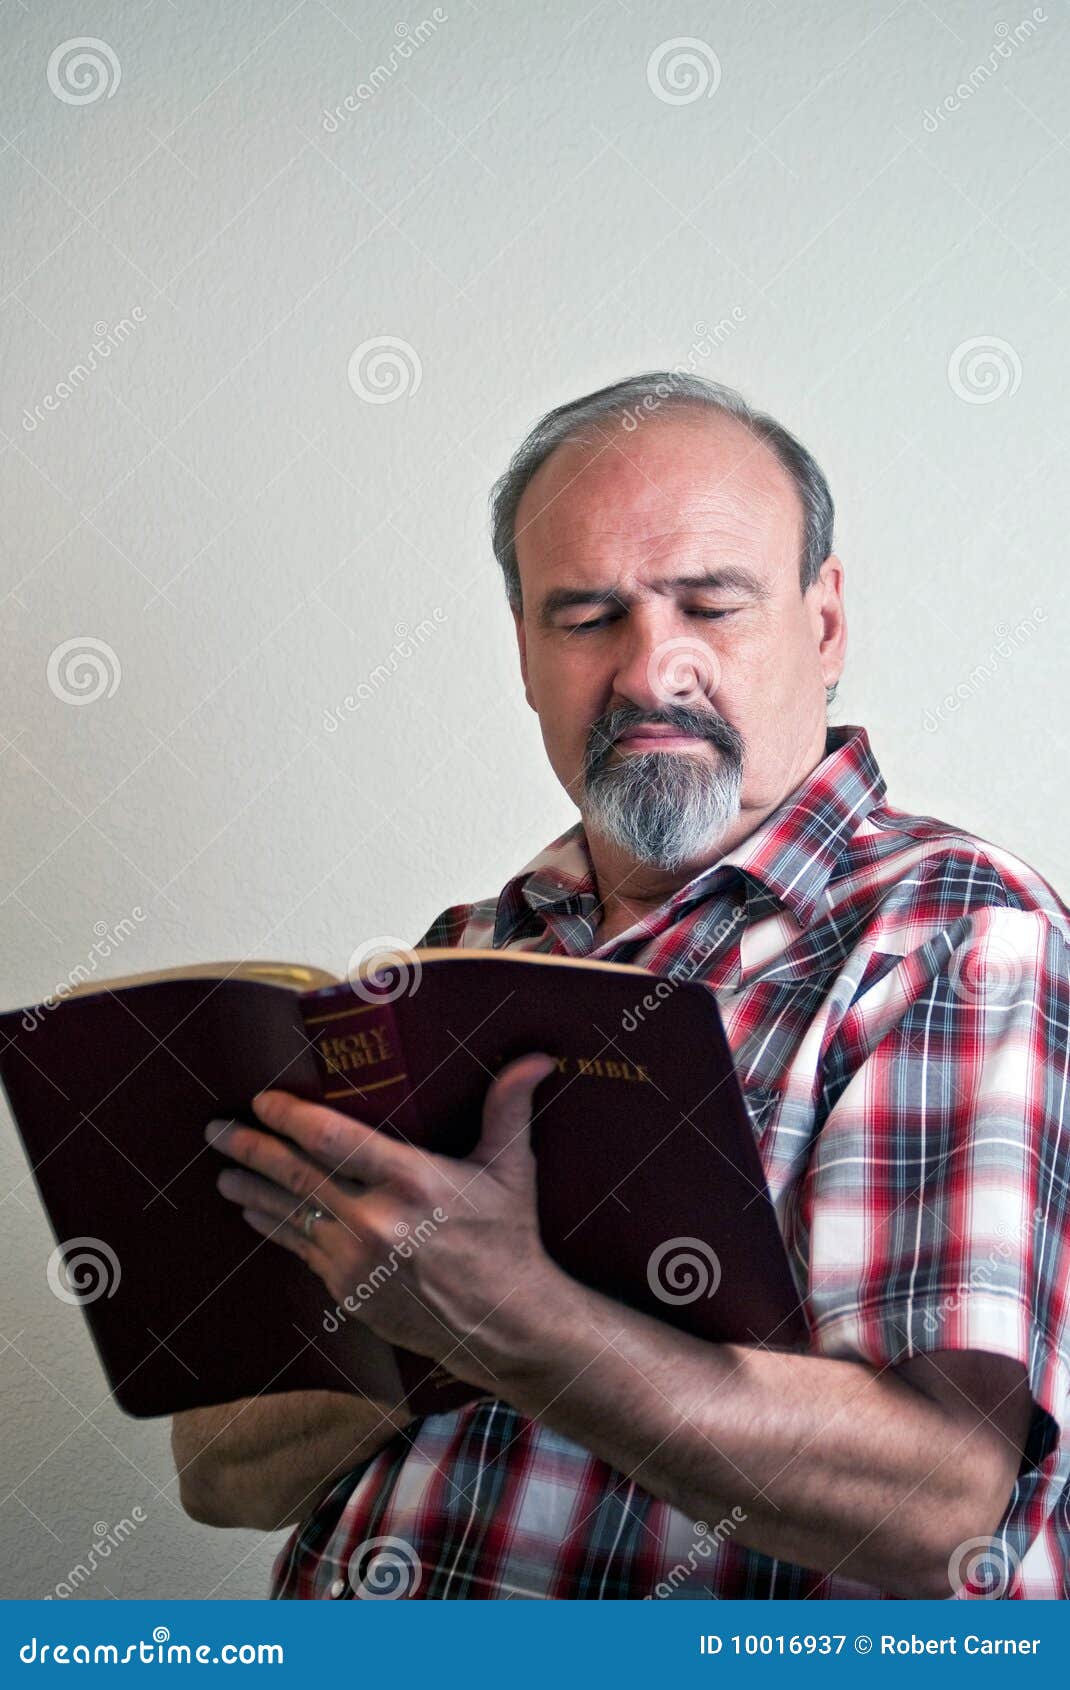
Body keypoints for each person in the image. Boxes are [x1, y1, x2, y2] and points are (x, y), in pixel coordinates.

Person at [172, 372, 1070, 1600]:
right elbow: (219, 1471)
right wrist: (432, 1313)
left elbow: (938, 1507)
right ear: (524, 655)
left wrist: (519, 1321)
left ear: (822, 625)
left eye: (710, 605)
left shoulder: (955, 931)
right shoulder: (454, 953)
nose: (653, 671)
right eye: (587, 616)